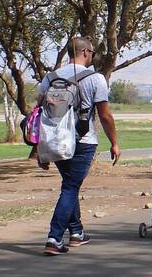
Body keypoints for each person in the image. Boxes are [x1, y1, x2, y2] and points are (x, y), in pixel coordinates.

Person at [37, 36, 121, 256]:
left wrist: (39, 149)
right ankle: (54, 238)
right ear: (85, 52)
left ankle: (76, 232)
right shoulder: (97, 79)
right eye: (92, 53)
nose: (92, 56)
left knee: (69, 183)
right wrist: (114, 143)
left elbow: (38, 114)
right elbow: (105, 115)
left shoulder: (50, 77)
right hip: (83, 141)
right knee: (71, 187)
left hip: (55, 141)